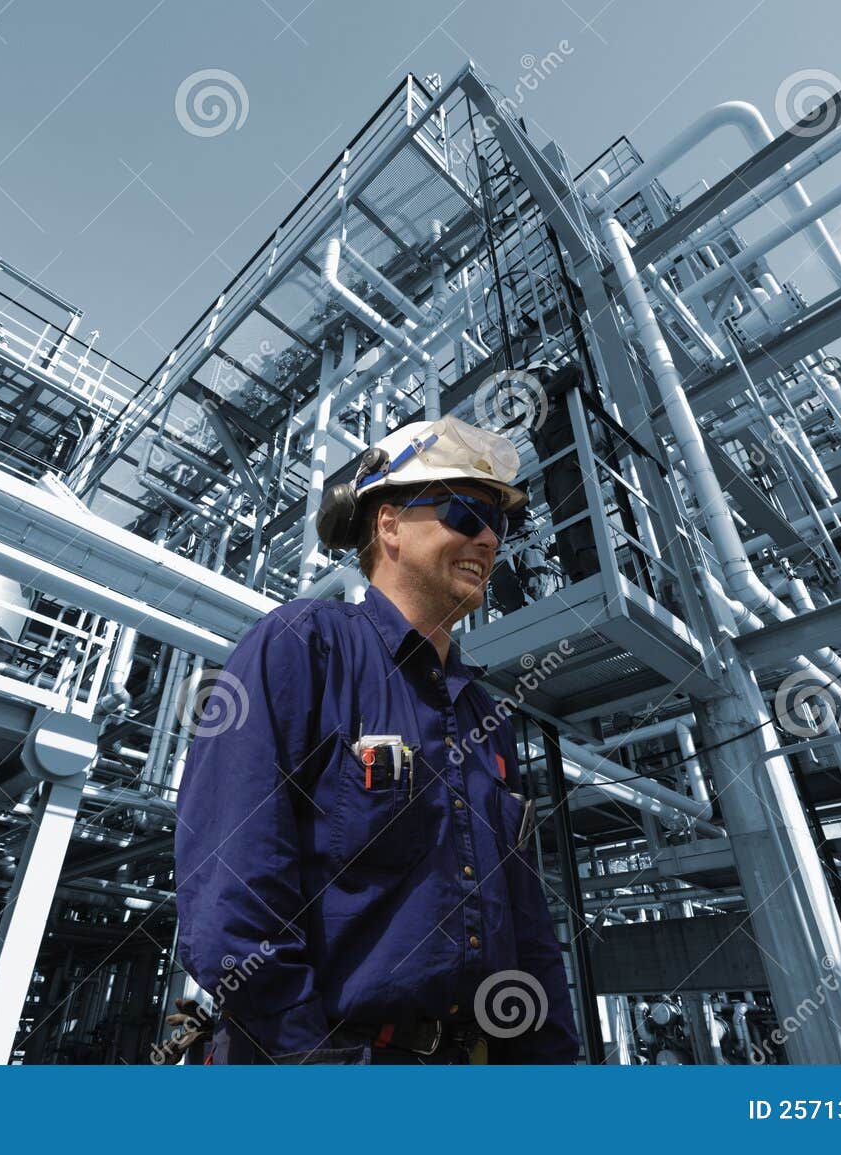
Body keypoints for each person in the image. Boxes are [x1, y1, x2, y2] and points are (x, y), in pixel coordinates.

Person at [174, 415, 580, 1064]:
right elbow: (233, 901)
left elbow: (527, 928)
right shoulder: (301, 649)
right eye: (466, 513)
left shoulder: (487, 719)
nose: (488, 539)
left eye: (499, 524)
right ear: (388, 524)